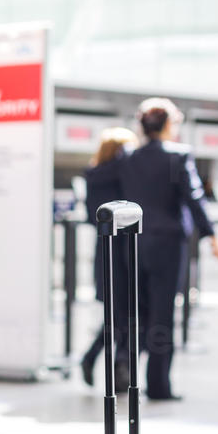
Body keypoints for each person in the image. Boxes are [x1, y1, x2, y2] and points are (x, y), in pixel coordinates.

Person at [118, 98, 218, 401]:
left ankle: (123, 369)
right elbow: (193, 197)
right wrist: (211, 235)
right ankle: (158, 385)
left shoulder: (128, 157)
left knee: (135, 312)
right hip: (167, 244)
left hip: (133, 242)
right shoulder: (178, 156)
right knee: (162, 315)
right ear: (168, 124)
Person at [79, 127, 138, 390]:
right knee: (127, 314)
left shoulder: (93, 174)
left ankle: (112, 364)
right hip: (126, 249)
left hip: (104, 250)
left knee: (116, 315)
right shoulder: (123, 172)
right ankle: (116, 365)